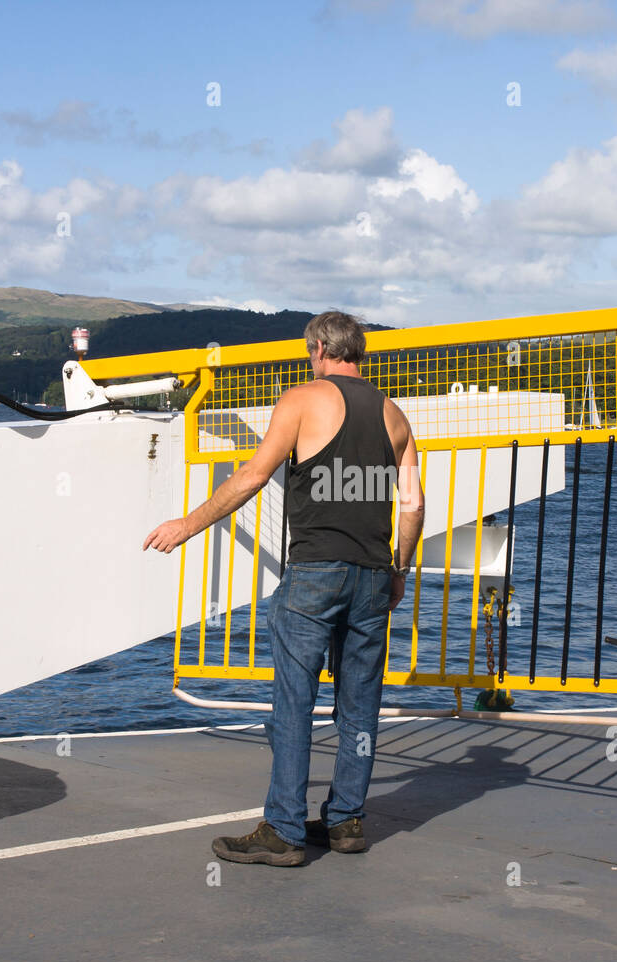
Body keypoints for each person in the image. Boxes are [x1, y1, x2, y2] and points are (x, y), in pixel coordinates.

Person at [143, 310, 425, 866]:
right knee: (359, 704)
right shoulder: (394, 415)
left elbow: (250, 476)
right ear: (358, 351)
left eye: (308, 349)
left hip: (316, 572)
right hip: (372, 575)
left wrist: (185, 526)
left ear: (320, 348)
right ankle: (346, 822)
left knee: (294, 701)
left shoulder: (301, 399)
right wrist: (400, 571)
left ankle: (285, 831)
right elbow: (413, 505)